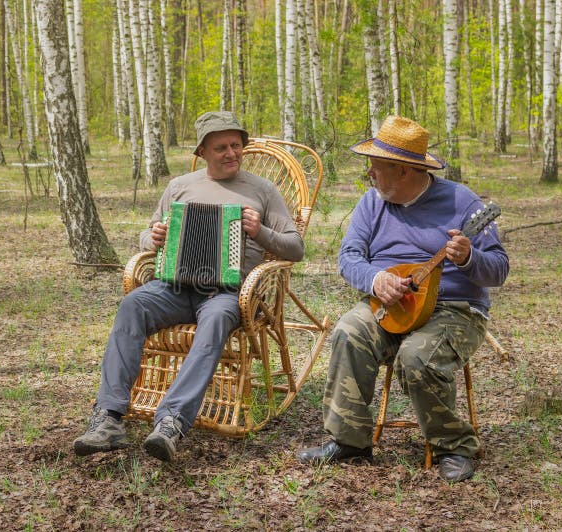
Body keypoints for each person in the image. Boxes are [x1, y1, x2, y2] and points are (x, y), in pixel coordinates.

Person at [74, 111, 304, 461]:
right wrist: (151, 236)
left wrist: (260, 231)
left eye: (236, 146)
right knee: (133, 304)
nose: (231, 153)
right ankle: (108, 417)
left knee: (213, 321)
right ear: (202, 152)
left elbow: (295, 248)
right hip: (174, 287)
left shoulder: (262, 191)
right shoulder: (180, 186)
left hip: (229, 294)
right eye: (221, 148)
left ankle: (171, 421)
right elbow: (147, 236)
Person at [296, 116, 509, 482]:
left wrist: (468, 258)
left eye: (376, 169)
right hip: (390, 305)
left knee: (417, 355)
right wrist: (377, 280)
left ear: (404, 172)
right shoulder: (372, 202)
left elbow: (500, 269)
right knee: (348, 332)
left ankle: (454, 447)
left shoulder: (463, 202)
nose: (370, 176)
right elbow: (348, 257)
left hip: (454, 310)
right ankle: (348, 442)